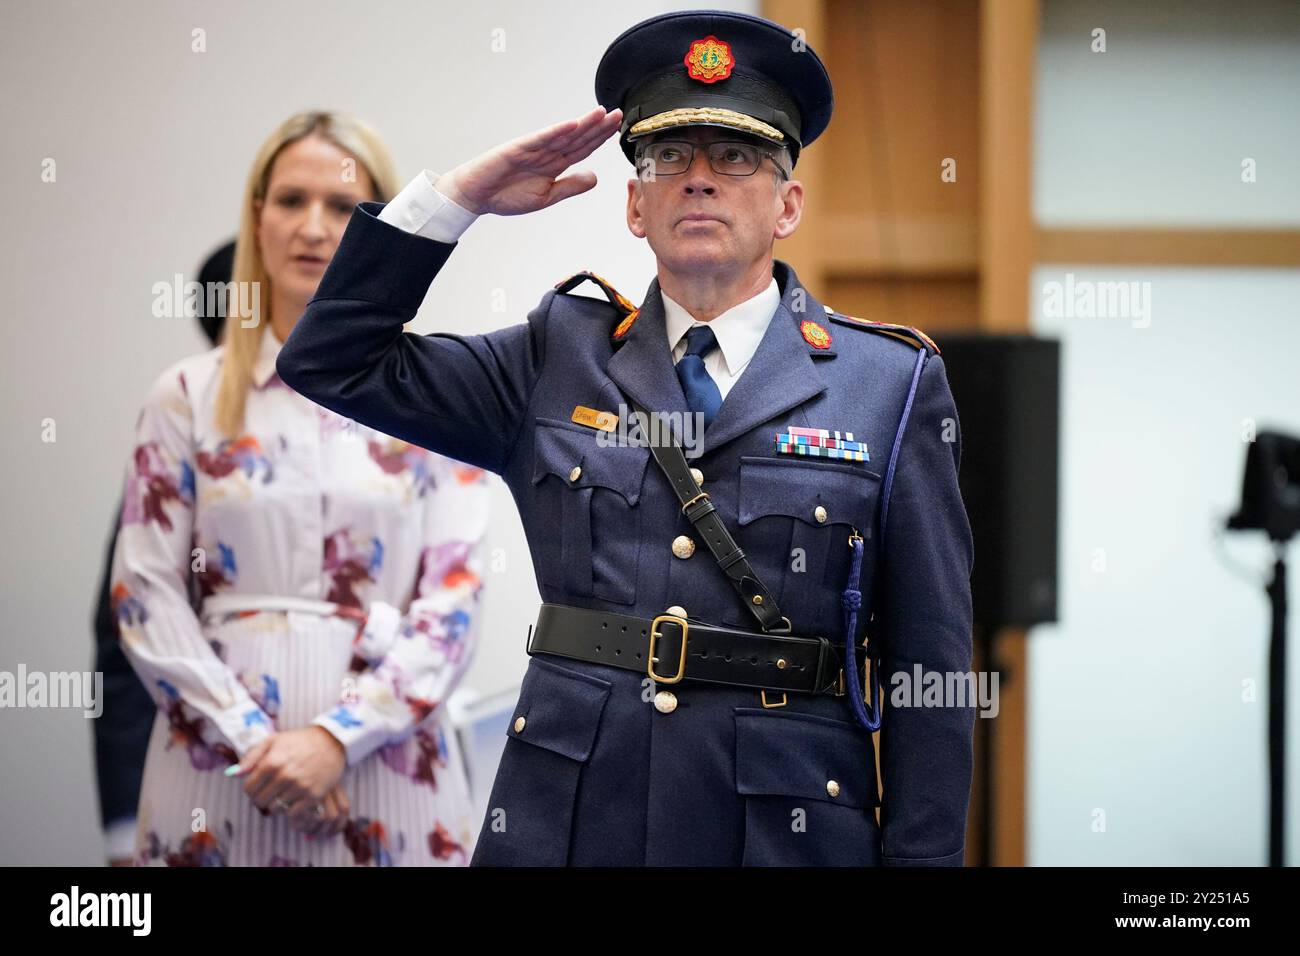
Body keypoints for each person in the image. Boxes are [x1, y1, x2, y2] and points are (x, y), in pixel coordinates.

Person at [277, 10, 974, 866]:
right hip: (572, 819)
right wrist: (459, 200)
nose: (700, 180)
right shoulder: (555, 355)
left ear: (788, 204)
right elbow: (329, 362)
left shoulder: (888, 385)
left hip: (785, 832)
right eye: (669, 157)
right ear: (635, 206)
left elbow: (929, 667)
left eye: (738, 156)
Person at [109, 110, 490, 866]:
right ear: (258, 216)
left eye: (345, 206)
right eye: (291, 200)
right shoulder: (185, 395)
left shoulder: (437, 394)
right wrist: (260, 746)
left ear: (383, 227)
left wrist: (332, 740)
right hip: (220, 763)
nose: (315, 227)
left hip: (389, 758)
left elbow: (455, 600)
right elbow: (144, 594)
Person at [94, 239, 235, 866]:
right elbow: (123, 645)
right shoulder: (179, 439)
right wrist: (126, 828)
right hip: (203, 789)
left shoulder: (390, 430)